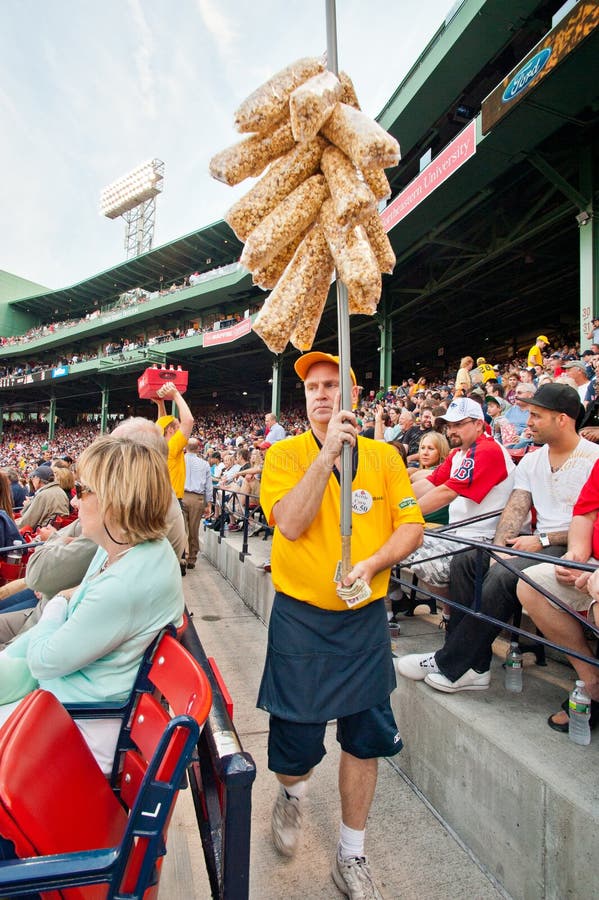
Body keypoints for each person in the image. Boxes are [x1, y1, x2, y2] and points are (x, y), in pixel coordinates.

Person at [257, 351, 424, 898]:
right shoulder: (284, 455)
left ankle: (351, 853)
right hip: (301, 620)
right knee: (294, 747)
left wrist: (373, 564)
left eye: (333, 385)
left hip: (362, 620)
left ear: (352, 395)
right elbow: (292, 523)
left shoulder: (383, 457)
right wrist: (327, 454)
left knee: (367, 739)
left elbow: (411, 526)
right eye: (313, 388)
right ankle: (293, 794)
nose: (322, 395)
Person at [0, 434, 184, 775]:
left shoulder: (125, 581)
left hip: (76, 730)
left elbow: (44, 661)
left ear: (116, 501)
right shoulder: (125, 548)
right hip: (67, 711)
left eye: (83, 491)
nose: (74, 502)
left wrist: (56, 605)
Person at [397, 384, 599, 692]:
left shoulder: (593, 457)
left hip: (571, 546)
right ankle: (475, 667)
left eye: (536, 415)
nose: (527, 421)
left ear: (562, 419)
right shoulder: (532, 460)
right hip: (536, 542)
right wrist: (501, 546)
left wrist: (541, 540)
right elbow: (515, 510)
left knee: (505, 574)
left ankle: (452, 662)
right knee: (470, 559)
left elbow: (589, 522)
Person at [398, 397, 515, 626]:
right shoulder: (459, 452)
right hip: (460, 532)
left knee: (406, 542)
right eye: (449, 425)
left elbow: (447, 492)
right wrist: (396, 504)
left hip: (483, 537)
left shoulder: (487, 449)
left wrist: (403, 514)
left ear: (479, 424)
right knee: (400, 540)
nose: (451, 430)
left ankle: (454, 619)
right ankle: (451, 617)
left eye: (459, 424)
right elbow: (431, 482)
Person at [517, 460, 599, 732]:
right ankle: (591, 683)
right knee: (530, 583)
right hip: (592, 564)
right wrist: (576, 555)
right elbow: (584, 514)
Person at [153, 381, 195, 501]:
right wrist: (175, 394)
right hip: (172, 500)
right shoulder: (171, 447)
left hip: (161, 498)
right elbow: (189, 421)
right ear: (171, 430)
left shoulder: (158, 444)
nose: (180, 427)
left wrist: (160, 404)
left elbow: (162, 422)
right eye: (178, 426)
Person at [183, 438, 213, 569]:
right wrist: (209, 503)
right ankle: (191, 558)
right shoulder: (204, 464)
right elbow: (208, 485)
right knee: (194, 529)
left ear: (186, 447)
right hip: (197, 498)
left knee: (182, 529)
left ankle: (182, 556)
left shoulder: (179, 460)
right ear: (198, 448)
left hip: (181, 495)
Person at [409, 431, 450, 526]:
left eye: (431, 448)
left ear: (441, 451)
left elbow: (429, 475)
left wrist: (413, 474)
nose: (425, 453)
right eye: (422, 448)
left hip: (435, 527)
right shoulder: (416, 471)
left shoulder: (444, 471)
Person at [17, 466, 70, 532]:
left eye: (33, 478)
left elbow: (27, 522)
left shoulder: (43, 495)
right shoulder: (60, 490)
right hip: (55, 530)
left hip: (42, 533)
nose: (32, 480)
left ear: (38, 479)